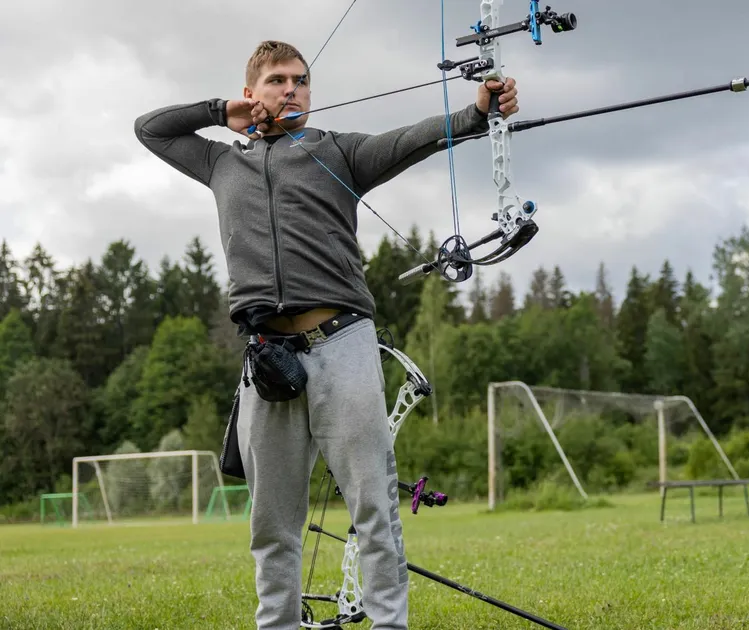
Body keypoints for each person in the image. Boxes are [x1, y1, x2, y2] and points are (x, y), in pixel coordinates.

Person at [133, 40, 519, 630]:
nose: (292, 90)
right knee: (273, 524)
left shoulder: (336, 152)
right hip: (268, 360)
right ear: (252, 93)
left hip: (342, 345)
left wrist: (476, 113)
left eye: (302, 82)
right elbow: (150, 129)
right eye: (278, 81)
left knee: (374, 509)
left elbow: (414, 138)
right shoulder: (220, 163)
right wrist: (218, 113)